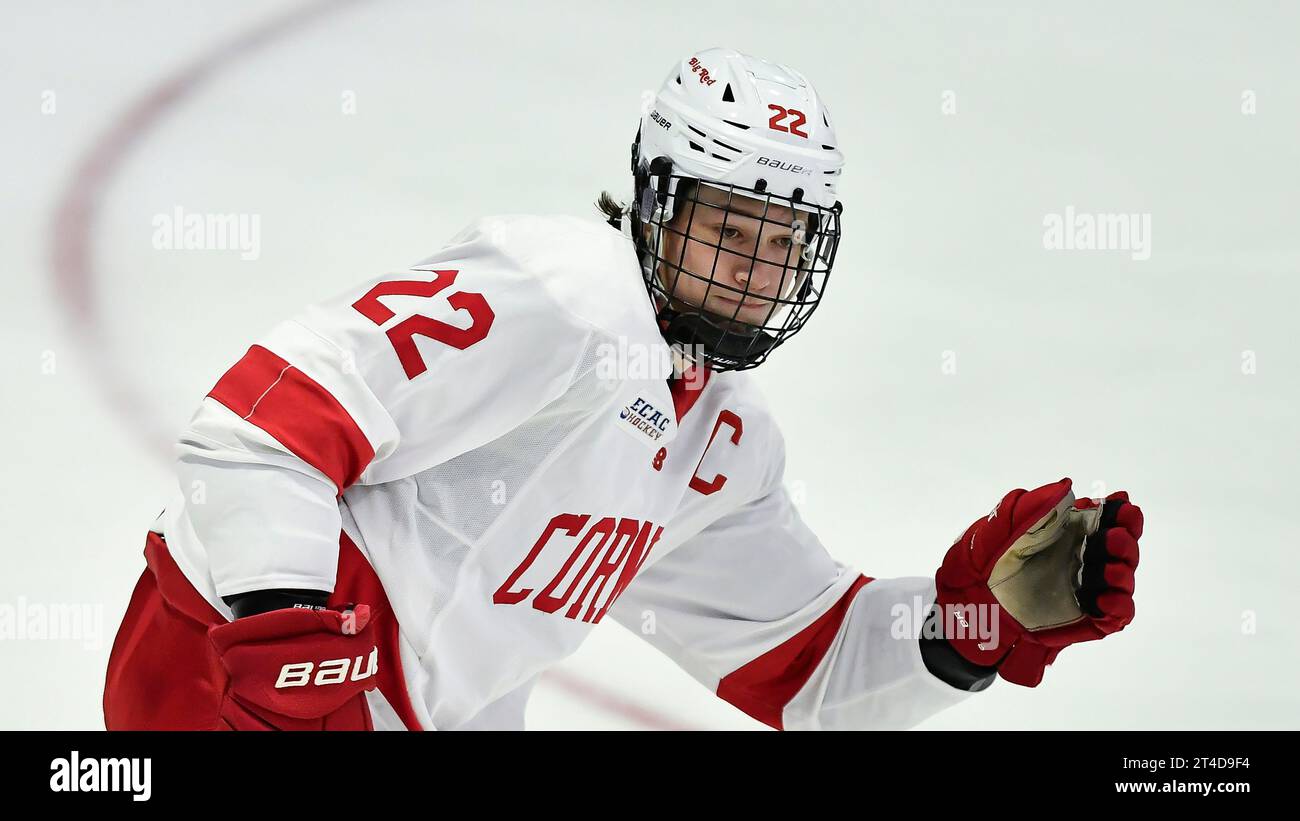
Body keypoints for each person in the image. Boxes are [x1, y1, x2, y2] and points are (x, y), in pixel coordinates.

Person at [103, 47, 1143, 731]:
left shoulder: (719, 444)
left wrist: (975, 626)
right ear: (654, 204)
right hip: (217, 678)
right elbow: (263, 421)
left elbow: (807, 663)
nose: (754, 267)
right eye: (728, 229)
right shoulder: (565, 293)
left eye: (782, 242)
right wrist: (283, 623)